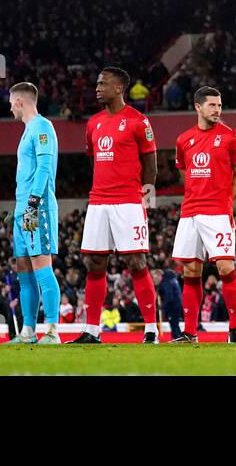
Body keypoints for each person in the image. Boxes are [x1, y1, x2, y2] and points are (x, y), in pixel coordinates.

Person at [70, 67, 160, 344]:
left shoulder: (138, 121)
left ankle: (151, 330)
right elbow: (94, 159)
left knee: (136, 261)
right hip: (99, 201)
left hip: (128, 201)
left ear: (119, 88)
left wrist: (142, 198)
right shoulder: (93, 123)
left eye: (102, 84)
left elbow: (151, 167)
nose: (97, 88)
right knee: (94, 262)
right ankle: (92, 330)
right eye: (97, 83)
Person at [171, 86, 236, 343]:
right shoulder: (183, 139)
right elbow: (184, 172)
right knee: (191, 271)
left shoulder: (230, 137)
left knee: (226, 267)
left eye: (219, 105)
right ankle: (190, 332)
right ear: (198, 107)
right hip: (190, 212)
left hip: (217, 212)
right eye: (212, 105)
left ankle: (235, 330)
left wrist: (227, 199)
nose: (217, 110)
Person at [7, 82, 61, 345]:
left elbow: (43, 168)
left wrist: (32, 201)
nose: (9, 107)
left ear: (19, 102)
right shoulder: (28, 130)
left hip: (35, 209)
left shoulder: (42, 127)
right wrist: (18, 208)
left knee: (42, 267)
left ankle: (52, 330)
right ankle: (28, 331)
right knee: (24, 269)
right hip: (22, 211)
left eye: (11, 102)